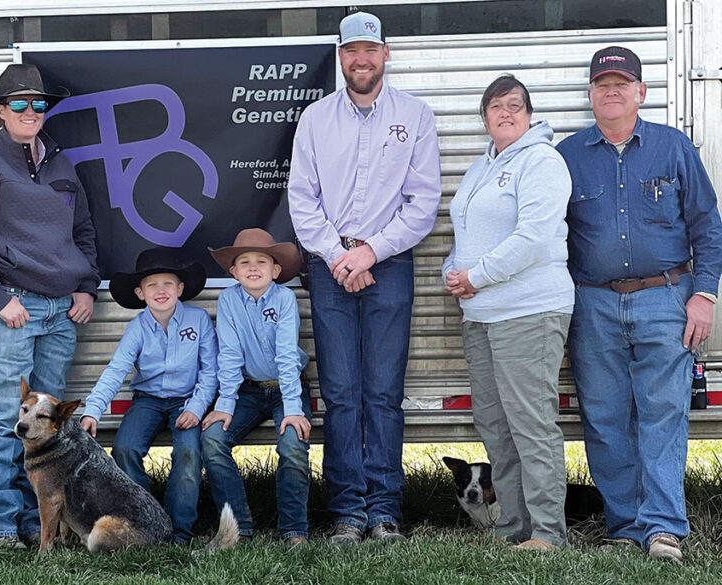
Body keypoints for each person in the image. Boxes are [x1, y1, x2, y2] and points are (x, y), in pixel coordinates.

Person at [557, 46, 722, 564]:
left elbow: (707, 226)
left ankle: (664, 527)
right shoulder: (566, 156)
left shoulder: (673, 148)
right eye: (602, 83)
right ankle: (625, 526)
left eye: (621, 83)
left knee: (663, 413)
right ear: (589, 94)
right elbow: (548, 234)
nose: (612, 91)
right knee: (604, 417)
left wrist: (704, 294)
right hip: (594, 304)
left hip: (666, 298)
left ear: (641, 92)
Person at [287, 11, 441, 544]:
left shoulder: (416, 116)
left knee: (382, 392)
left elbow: (422, 204)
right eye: (352, 51)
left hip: (390, 265)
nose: (361, 60)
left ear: (385, 54)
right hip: (330, 269)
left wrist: (370, 252)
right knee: (341, 392)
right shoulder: (314, 119)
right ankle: (348, 511)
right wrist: (338, 255)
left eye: (370, 51)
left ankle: (385, 509)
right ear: (340, 56)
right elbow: (302, 202)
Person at [0, 64, 99, 548]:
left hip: (61, 311)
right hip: (12, 310)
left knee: (48, 426)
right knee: (2, 417)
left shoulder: (62, 164)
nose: (30, 112)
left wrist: (87, 286)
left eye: (38, 104)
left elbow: (84, 233)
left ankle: (40, 520)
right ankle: (0, 524)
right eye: (19, 104)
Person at [442, 75, 573, 551]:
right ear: (484, 118)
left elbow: (534, 237)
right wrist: (452, 273)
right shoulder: (481, 168)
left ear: (530, 114)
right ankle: (512, 528)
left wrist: (475, 276)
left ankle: (548, 534)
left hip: (529, 310)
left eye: (515, 105)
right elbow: (465, 240)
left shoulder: (542, 161)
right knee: (496, 426)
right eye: (496, 106)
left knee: (531, 424)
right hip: (481, 315)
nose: (506, 113)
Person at [79, 247, 217, 544]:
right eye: (152, 285)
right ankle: (145, 522)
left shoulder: (199, 321)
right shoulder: (137, 328)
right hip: (148, 400)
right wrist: (92, 410)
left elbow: (210, 373)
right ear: (140, 293)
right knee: (124, 448)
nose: (161, 290)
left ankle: (180, 530)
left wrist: (195, 407)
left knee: (189, 454)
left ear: (180, 288)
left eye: (168, 283)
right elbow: (116, 370)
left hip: (187, 400)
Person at [201, 228, 312, 545]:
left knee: (293, 443)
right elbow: (231, 354)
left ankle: (294, 531)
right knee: (212, 439)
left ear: (276, 270)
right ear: (233, 271)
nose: (253, 268)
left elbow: (287, 355)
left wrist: (293, 408)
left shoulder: (285, 298)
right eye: (244, 262)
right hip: (247, 391)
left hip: (287, 389)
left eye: (261, 261)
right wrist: (224, 404)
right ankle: (236, 529)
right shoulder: (229, 300)